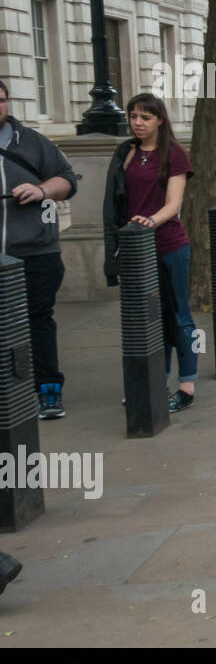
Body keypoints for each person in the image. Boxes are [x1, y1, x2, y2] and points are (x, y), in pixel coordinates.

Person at [103, 93, 197, 413]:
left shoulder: (174, 155)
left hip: (169, 245)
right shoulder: (125, 153)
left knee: (177, 315)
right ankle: (154, 381)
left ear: (159, 120)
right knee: (145, 318)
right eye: (133, 117)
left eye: (145, 117)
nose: (138, 123)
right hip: (134, 249)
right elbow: (114, 201)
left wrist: (148, 222)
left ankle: (186, 385)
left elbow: (173, 205)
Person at [0, 80, 78, 419]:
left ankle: (48, 391)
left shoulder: (32, 141)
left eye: (0, 100)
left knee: (37, 319)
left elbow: (67, 180)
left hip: (35, 252)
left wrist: (41, 189)